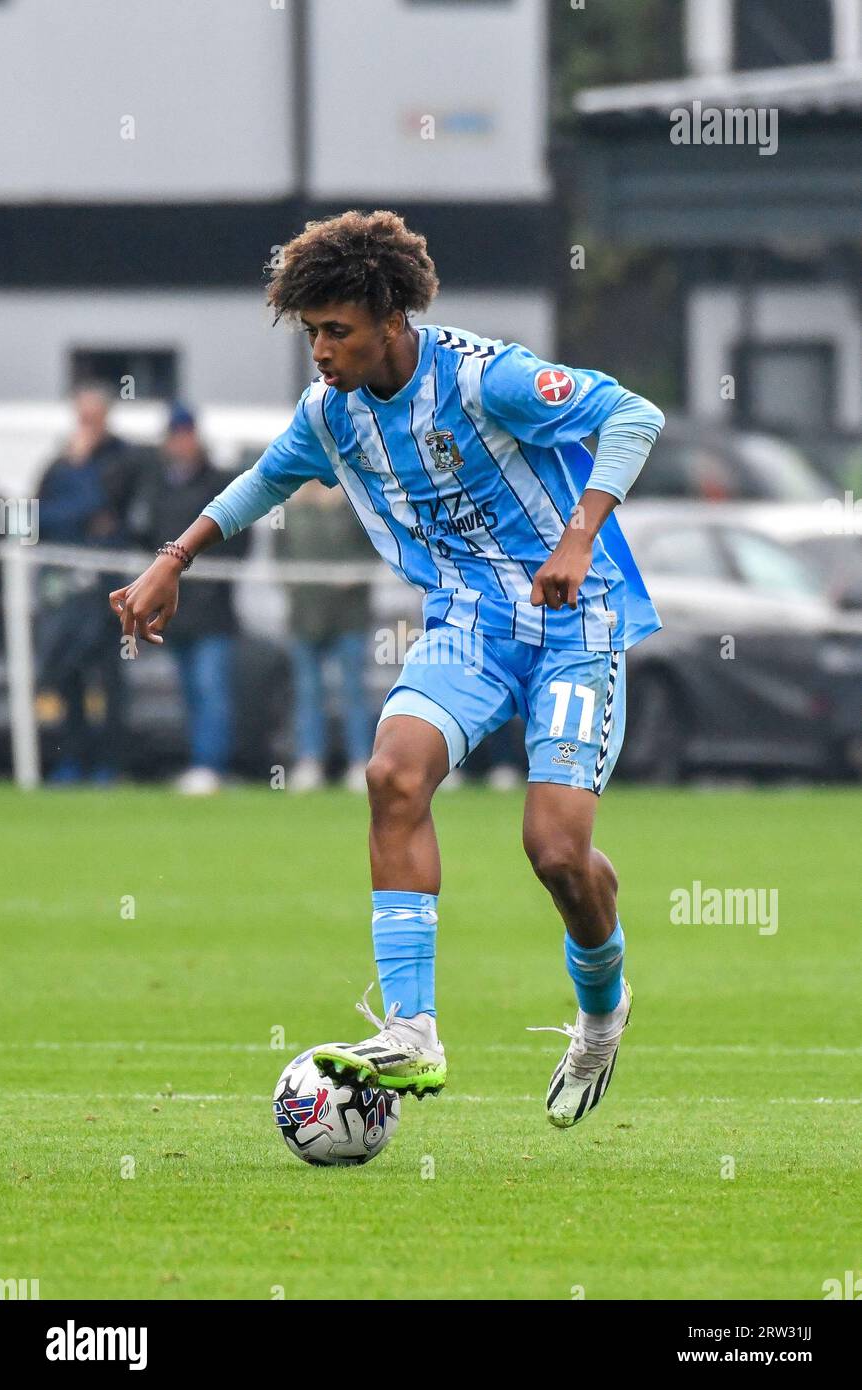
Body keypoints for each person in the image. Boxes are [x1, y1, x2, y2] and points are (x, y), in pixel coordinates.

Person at [109, 209, 665, 1129]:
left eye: (337, 330)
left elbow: (634, 415)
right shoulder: (331, 413)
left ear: (391, 320)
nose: (321, 351)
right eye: (311, 332)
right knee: (391, 774)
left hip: (577, 622)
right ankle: (412, 1030)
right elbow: (266, 479)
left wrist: (577, 536)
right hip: (467, 628)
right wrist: (175, 557)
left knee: (558, 856)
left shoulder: (486, 378)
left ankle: (603, 1015)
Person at [132, 404, 249, 794]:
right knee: (191, 691)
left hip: (212, 610)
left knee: (211, 688)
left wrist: (205, 581)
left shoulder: (219, 482)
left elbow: (239, 538)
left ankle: (211, 764)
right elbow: (146, 537)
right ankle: (200, 762)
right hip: (176, 612)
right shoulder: (156, 486)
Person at [38, 384, 139, 783]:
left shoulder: (123, 458)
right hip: (66, 592)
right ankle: (72, 760)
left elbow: (112, 511)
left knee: (110, 676)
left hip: (109, 592)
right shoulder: (60, 464)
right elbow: (38, 519)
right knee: (69, 674)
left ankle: (109, 764)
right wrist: (79, 478)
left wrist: (80, 478)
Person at [275, 478, 376, 791]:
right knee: (308, 693)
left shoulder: (353, 504)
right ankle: (310, 761)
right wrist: (294, 587)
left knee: (353, 692)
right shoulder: (290, 510)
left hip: (349, 616)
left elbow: (376, 549)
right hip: (305, 616)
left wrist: (354, 574)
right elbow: (280, 558)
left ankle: (360, 762)